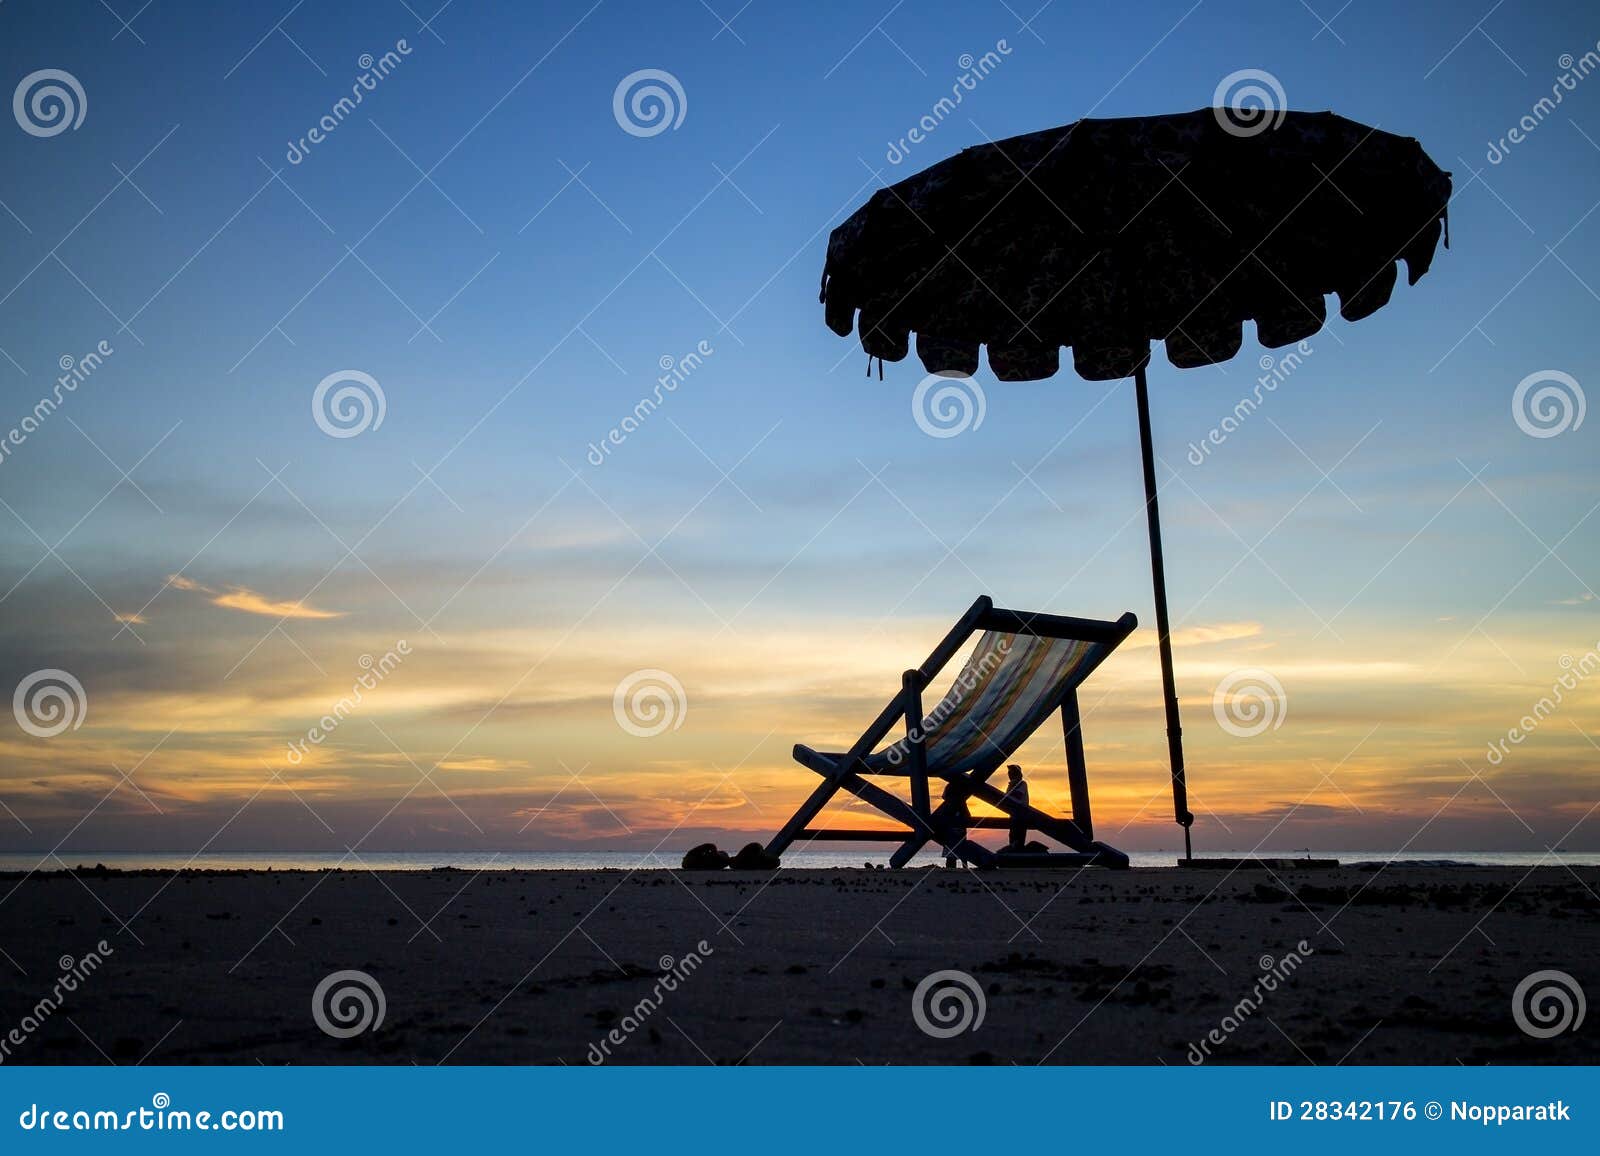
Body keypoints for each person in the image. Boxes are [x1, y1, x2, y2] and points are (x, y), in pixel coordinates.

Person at [932, 781, 970, 868]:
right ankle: (963, 867)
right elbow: (967, 817)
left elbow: (966, 817)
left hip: (953, 832)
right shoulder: (960, 804)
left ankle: (956, 867)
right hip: (957, 832)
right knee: (958, 853)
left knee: (952, 854)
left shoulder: (953, 804)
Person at [1004, 764, 1029, 851]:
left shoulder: (1022, 784)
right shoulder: (1011, 785)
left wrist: (1005, 797)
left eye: (1011, 772)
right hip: (1014, 816)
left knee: (1018, 840)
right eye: (1009, 772)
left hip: (1021, 817)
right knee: (1013, 838)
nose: (1009, 774)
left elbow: (1017, 795)